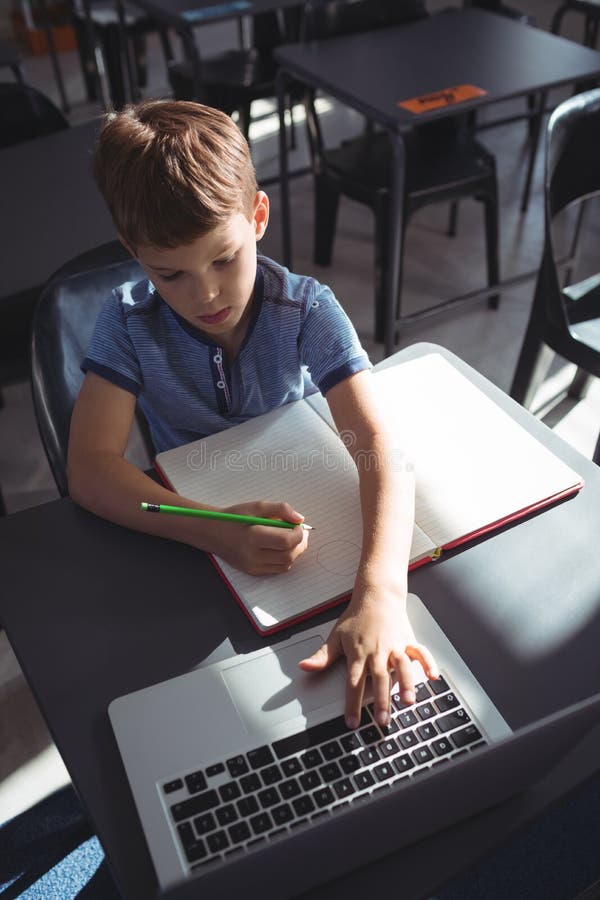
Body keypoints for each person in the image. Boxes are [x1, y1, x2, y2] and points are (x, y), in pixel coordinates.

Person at [67, 99, 438, 729]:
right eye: (170, 274)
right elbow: (90, 470)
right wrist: (208, 526)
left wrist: (381, 591)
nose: (205, 294)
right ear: (133, 252)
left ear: (257, 217)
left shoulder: (306, 311)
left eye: (223, 259)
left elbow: (382, 446)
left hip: (309, 545)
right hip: (188, 542)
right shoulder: (128, 322)